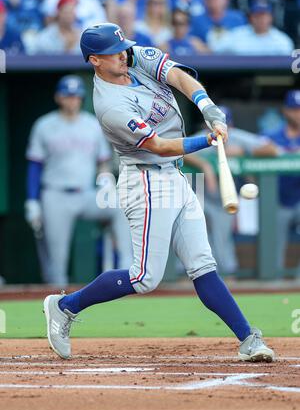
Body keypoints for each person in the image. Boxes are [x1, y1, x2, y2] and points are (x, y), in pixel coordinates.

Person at [43, 22, 275, 363]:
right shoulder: (110, 106)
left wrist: (207, 107)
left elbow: (178, 76)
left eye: (121, 48)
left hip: (175, 178)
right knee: (144, 278)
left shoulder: (132, 56)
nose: (122, 55)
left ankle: (248, 338)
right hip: (147, 181)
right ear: (94, 60)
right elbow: (159, 145)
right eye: (112, 52)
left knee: (202, 263)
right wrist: (206, 140)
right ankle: (64, 306)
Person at [25, 74, 132, 288]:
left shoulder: (91, 124)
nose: (72, 100)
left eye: (76, 96)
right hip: (55, 195)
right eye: (68, 96)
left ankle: (129, 270)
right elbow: (34, 165)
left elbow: (103, 162)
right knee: (57, 260)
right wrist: (32, 200)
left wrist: (106, 184)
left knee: (120, 206)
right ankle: (56, 299)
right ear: (58, 97)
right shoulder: (44, 125)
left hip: (86, 194)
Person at [184, 106, 278, 277]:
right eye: (213, 126)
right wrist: (204, 164)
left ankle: (227, 273)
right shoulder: (202, 137)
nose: (218, 130)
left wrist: (244, 153)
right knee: (191, 234)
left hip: (223, 199)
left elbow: (272, 149)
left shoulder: (236, 137)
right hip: (199, 197)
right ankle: (188, 274)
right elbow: (177, 149)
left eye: (223, 125)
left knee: (222, 236)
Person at [263, 90, 300, 276]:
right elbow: (255, 151)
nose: (298, 114)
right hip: (279, 198)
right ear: (286, 111)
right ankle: (273, 280)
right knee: (274, 244)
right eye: (295, 109)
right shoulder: (271, 136)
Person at [212, 0, 294, 55]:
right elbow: (215, 51)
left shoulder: (281, 40)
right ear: (251, 17)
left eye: (264, 15)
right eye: (257, 15)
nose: (261, 19)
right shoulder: (236, 35)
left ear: (271, 17)